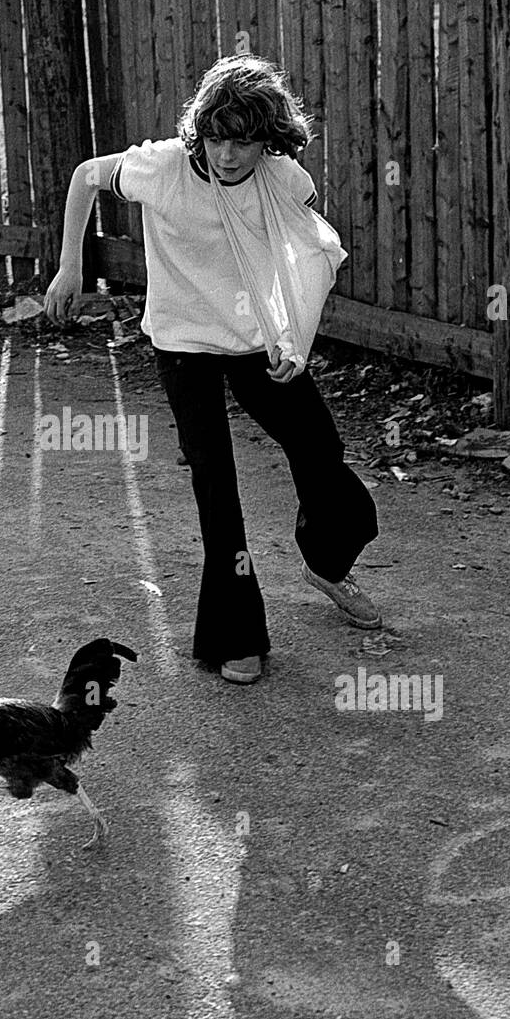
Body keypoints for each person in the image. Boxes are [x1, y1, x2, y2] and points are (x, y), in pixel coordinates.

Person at [45, 53, 380, 685]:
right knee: (218, 493)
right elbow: (87, 175)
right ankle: (236, 636)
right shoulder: (164, 169)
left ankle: (329, 563)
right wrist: (71, 266)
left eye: (245, 141)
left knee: (323, 456)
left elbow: (303, 261)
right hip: (184, 346)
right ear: (200, 131)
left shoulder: (282, 180)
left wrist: (292, 338)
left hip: (256, 342)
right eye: (218, 138)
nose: (229, 156)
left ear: (267, 139)